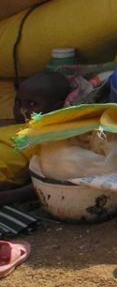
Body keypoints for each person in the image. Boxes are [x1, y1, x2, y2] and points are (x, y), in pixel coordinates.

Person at [1, 72, 71, 205]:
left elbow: (48, 181)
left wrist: (7, 197)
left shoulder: (50, 138)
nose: (22, 110)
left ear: (58, 108)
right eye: (18, 102)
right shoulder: (11, 127)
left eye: (32, 104)